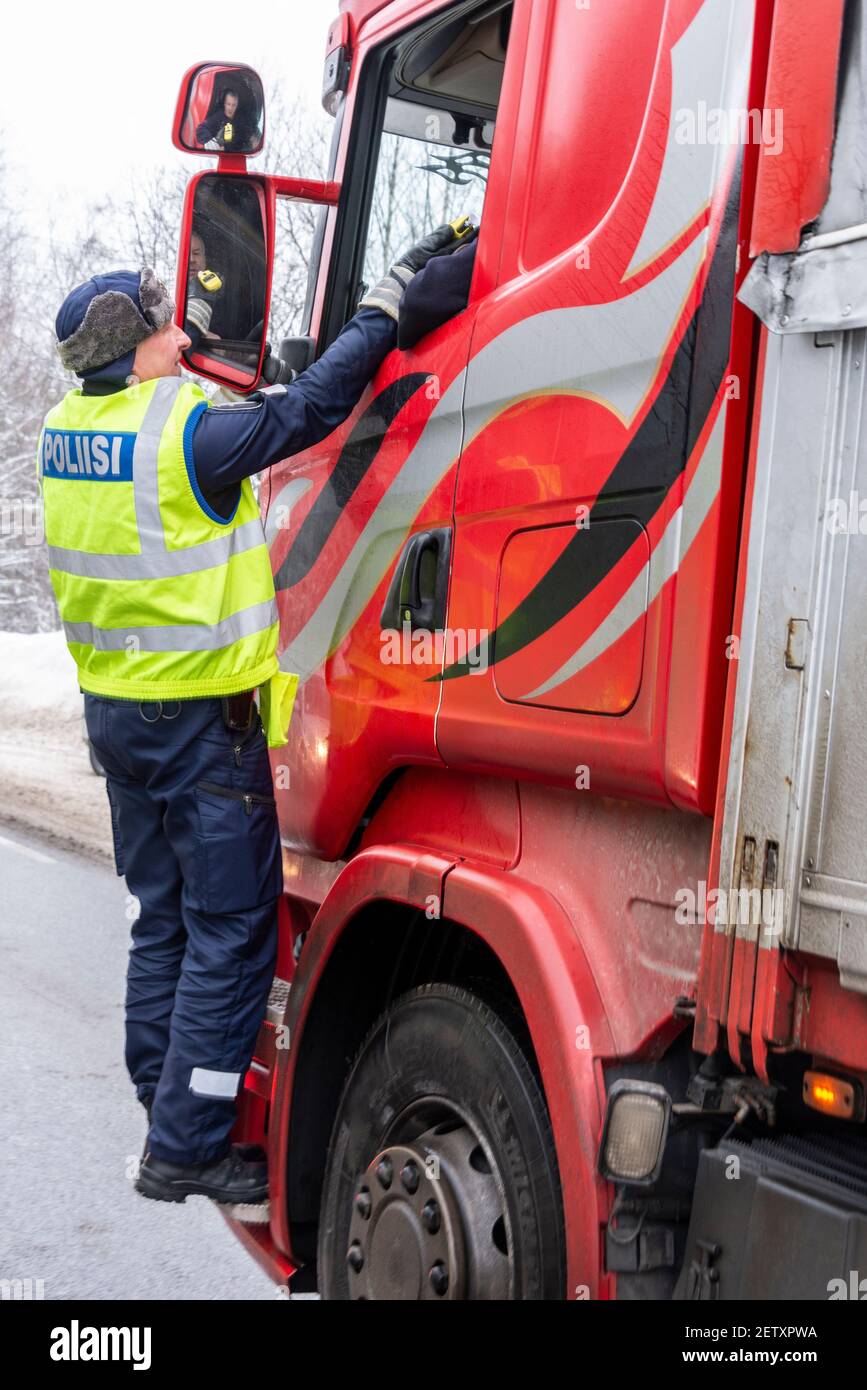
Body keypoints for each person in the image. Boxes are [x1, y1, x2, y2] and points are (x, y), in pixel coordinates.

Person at [39, 222, 468, 1206]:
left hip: (118, 719)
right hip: (196, 725)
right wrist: (383, 312)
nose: (178, 333)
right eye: (163, 325)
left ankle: (165, 1107)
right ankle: (186, 1143)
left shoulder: (66, 430)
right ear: (137, 343)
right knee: (231, 929)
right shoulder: (186, 433)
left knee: (165, 920)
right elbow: (311, 409)